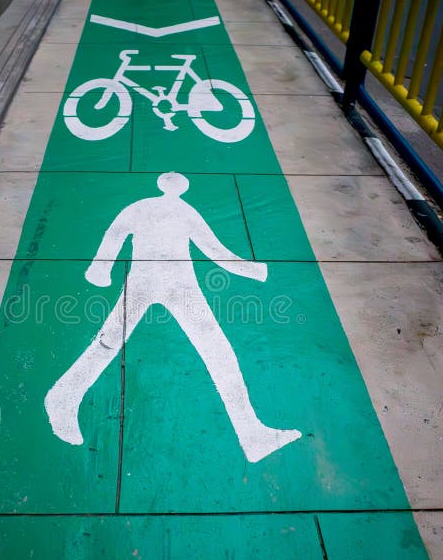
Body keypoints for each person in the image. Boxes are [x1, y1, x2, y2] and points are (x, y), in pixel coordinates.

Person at [45, 172, 301, 462]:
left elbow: (114, 234)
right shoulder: (185, 211)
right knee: (217, 351)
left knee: (111, 342)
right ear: (181, 187)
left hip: (153, 281)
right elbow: (216, 251)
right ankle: (252, 434)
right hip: (178, 284)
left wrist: (99, 270)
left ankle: (63, 397)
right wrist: (255, 270)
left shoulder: (140, 207)